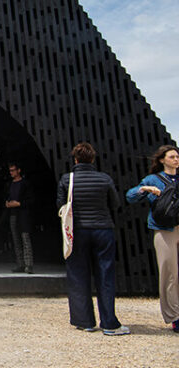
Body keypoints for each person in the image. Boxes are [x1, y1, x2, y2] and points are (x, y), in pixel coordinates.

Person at [56, 142, 129, 335]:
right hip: (102, 228)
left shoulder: (67, 179)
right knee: (105, 274)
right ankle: (109, 324)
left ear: (76, 159)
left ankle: (85, 321)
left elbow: (60, 205)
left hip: (78, 231)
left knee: (78, 275)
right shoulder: (104, 179)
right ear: (93, 159)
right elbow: (115, 203)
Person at [126, 145, 179, 333]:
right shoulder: (153, 179)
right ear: (162, 160)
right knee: (170, 273)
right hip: (164, 230)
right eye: (172, 156)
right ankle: (175, 316)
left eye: (177, 156)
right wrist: (145, 189)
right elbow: (130, 196)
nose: (176, 159)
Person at [5, 163, 35, 273]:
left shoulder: (25, 184)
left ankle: (28, 264)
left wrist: (19, 204)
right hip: (13, 214)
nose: (11, 172)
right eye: (10, 171)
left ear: (19, 170)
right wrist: (8, 203)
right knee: (16, 239)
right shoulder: (10, 184)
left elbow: (31, 199)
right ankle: (21, 264)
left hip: (23, 214)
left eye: (13, 170)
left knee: (25, 238)